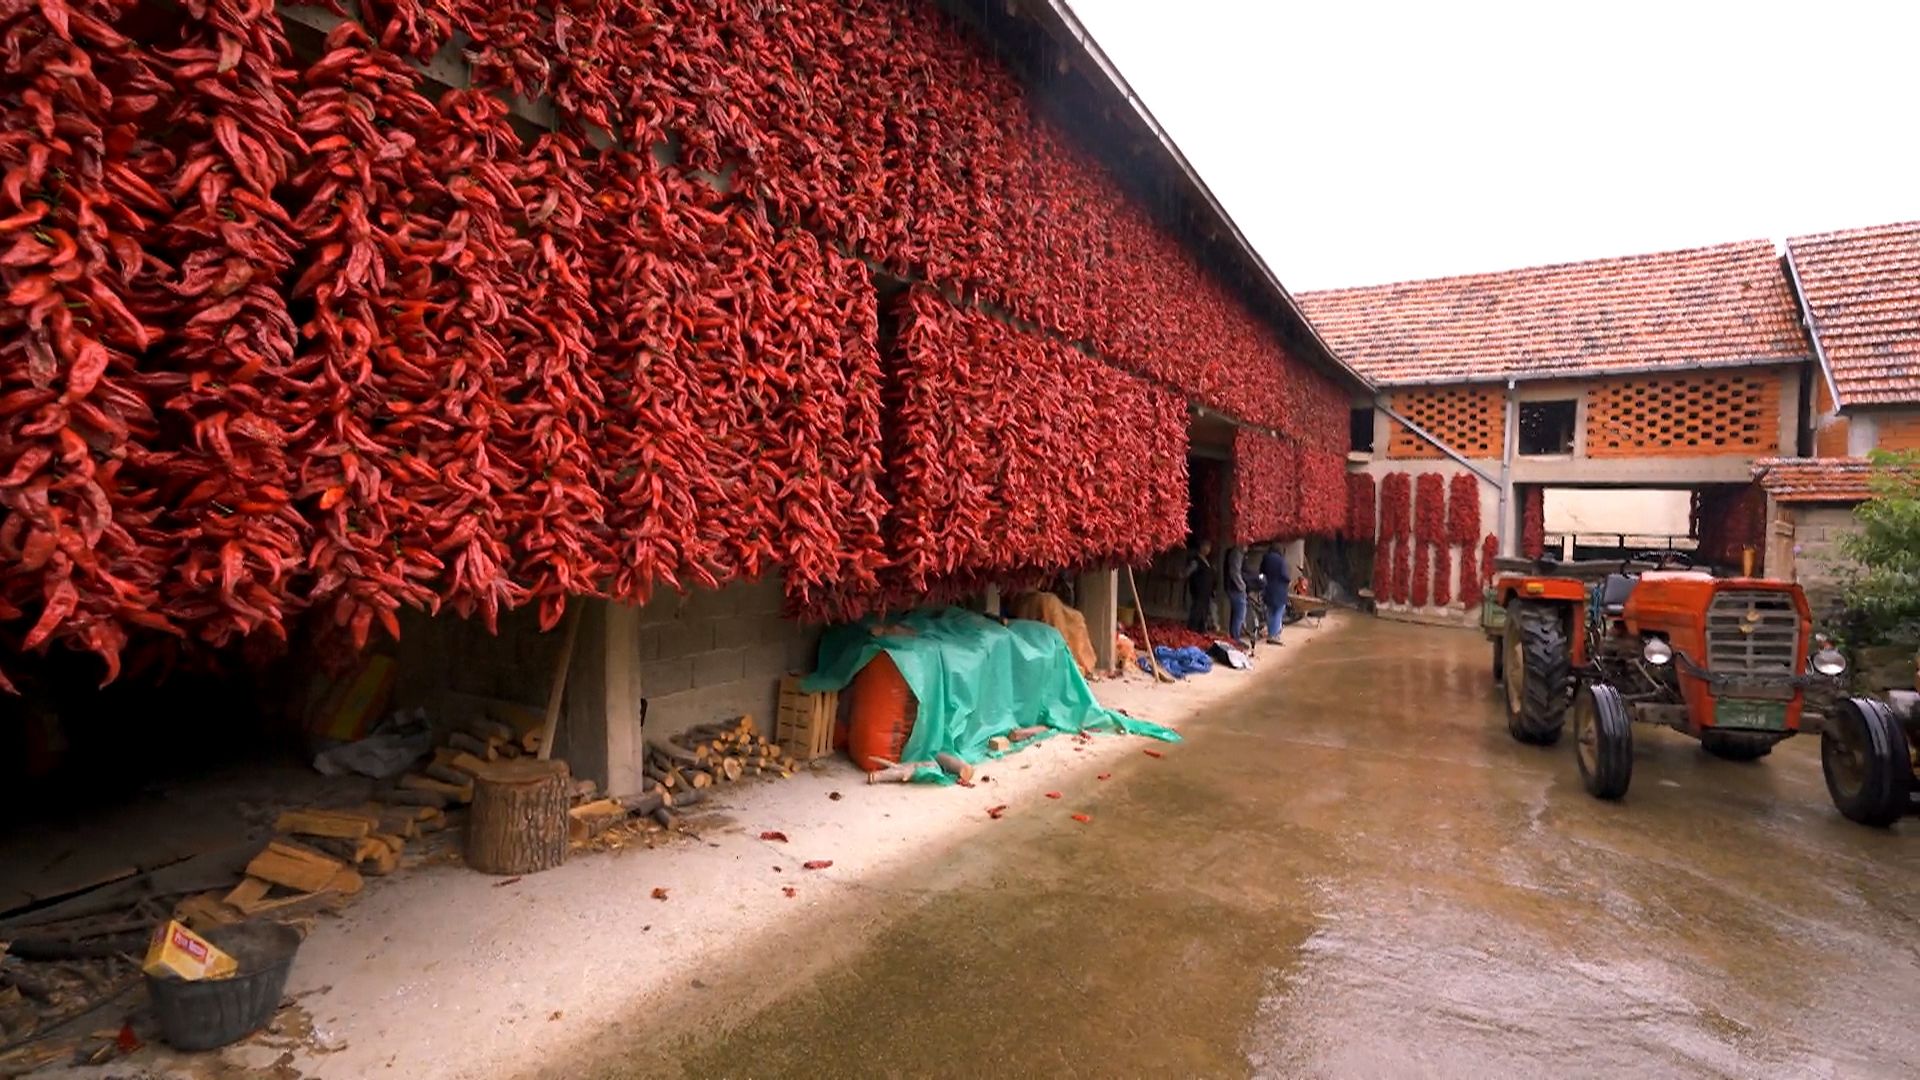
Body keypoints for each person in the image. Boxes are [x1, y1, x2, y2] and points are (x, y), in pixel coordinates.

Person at [1259, 544, 1291, 645]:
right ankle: (1274, 635)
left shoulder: (1265, 559)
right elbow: (1285, 576)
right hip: (1279, 589)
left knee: (1270, 612)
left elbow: (1261, 572)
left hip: (1268, 588)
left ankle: (1271, 633)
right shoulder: (1281, 561)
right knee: (1278, 611)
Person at [1185, 539, 1216, 633]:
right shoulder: (1196, 561)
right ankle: (1192, 630)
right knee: (1197, 611)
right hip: (1198, 591)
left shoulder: (1207, 561)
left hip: (1206, 592)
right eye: (1206, 546)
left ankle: (1201, 631)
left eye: (1209, 547)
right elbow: (1188, 572)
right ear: (1201, 547)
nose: (1208, 549)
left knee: (1204, 612)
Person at [1223, 543, 1249, 643]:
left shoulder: (1235, 553)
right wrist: (1242, 586)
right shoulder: (1237, 553)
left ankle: (1233, 638)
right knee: (1239, 613)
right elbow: (1234, 572)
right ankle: (1235, 639)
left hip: (1232, 587)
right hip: (1235, 588)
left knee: (1236, 614)